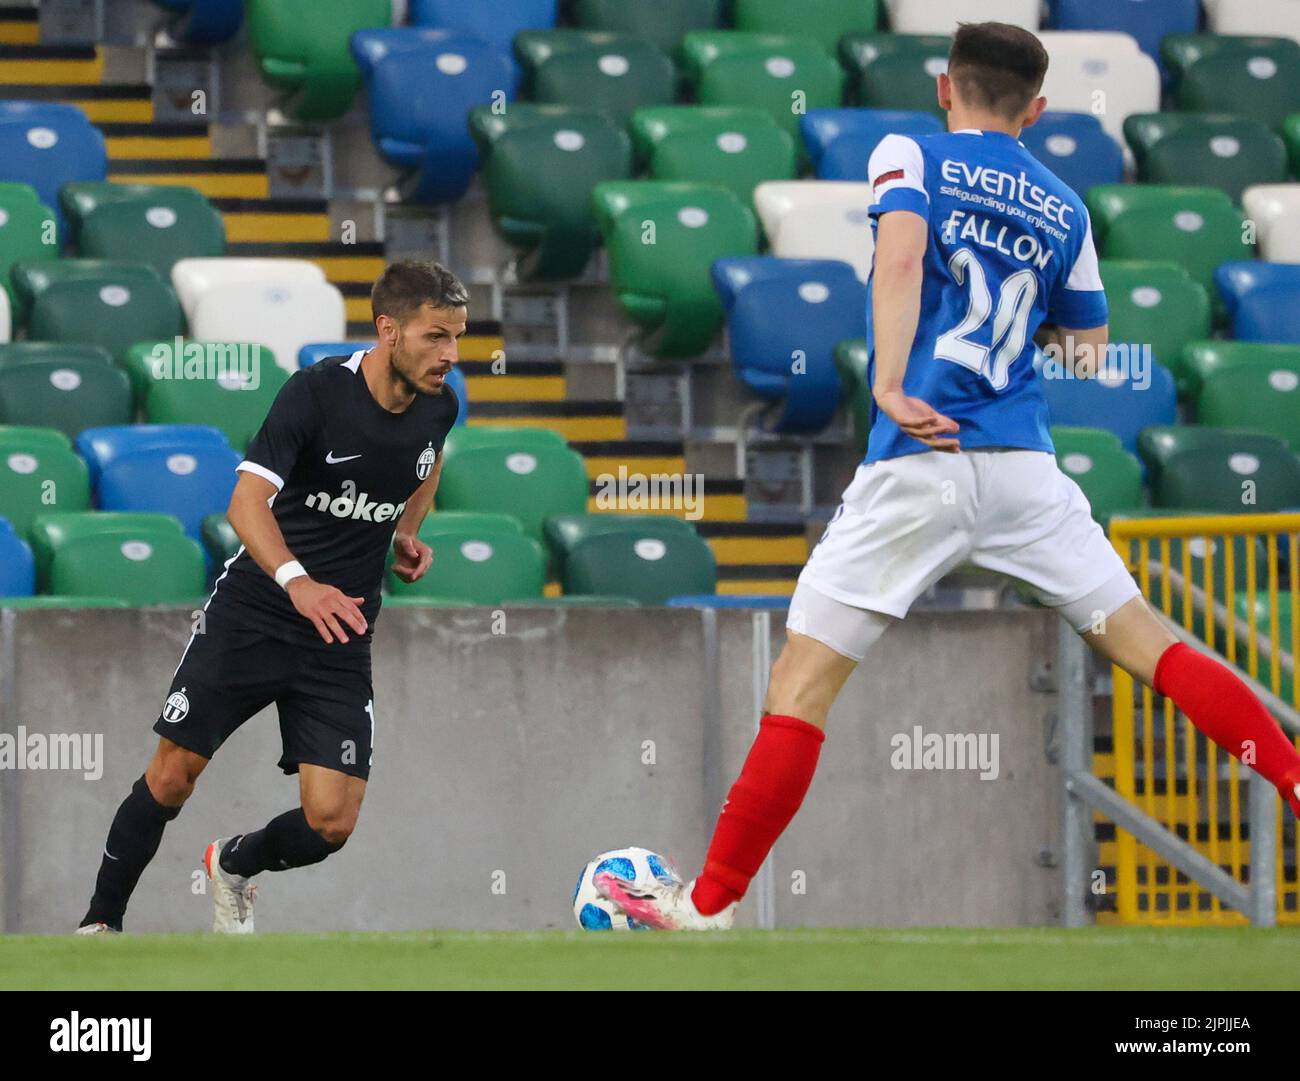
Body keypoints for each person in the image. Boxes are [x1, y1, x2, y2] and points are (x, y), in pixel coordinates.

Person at [596, 22, 1300, 930]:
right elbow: (1088, 356)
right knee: (1153, 646)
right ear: (1038, 110)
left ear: (945, 86)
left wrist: (889, 381)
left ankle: (710, 904)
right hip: (1025, 471)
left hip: (921, 458)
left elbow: (896, 260)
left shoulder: (911, 156)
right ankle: (1291, 773)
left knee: (801, 688)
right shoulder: (1068, 209)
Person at [77, 260, 467, 933]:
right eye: (435, 337)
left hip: (340, 633)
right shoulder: (315, 394)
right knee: (173, 775)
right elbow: (245, 501)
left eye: (457, 337)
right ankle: (99, 925)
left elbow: (425, 465)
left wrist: (406, 528)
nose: (450, 355)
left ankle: (233, 861)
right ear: (388, 329)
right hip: (256, 612)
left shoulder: (440, 404)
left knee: (332, 821)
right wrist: (300, 582)